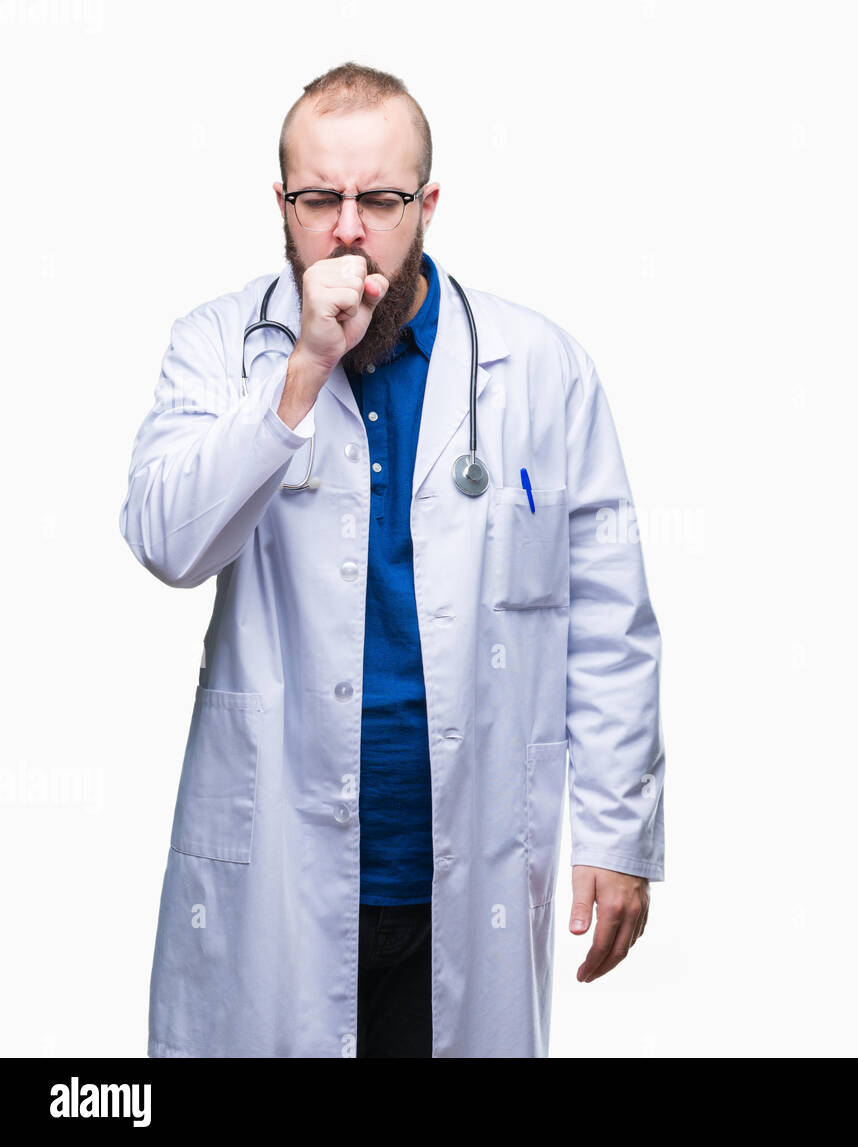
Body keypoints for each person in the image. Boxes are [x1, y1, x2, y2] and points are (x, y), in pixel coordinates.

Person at [119, 61, 666, 1058]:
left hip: (472, 857)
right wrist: (300, 375)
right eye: (319, 198)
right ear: (281, 204)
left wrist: (619, 834)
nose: (347, 228)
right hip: (277, 860)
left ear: (428, 204)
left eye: (379, 199)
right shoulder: (220, 348)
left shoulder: (539, 366)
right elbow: (167, 540)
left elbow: (608, 612)